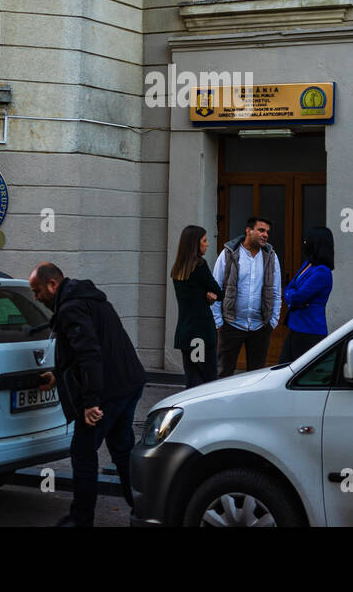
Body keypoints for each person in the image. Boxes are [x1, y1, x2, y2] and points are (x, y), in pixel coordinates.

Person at [29, 261, 145, 527]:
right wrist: (59, 376)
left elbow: (89, 354)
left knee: (83, 453)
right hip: (128, 383)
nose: (36, 297)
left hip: (107, 392)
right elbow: (90, 349)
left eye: (37, 290)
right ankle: (143, 509)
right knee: (122, 448)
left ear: (53, 284)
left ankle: (81, 520)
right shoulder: (89, 298)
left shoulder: (71, 308)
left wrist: (91, 402)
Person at [211, 216, 281, 378]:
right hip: (231, 324)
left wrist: (273, 320)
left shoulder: (271, 256)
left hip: (260, 326)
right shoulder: (228, 254)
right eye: (261, 230)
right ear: (248, 231)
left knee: (256, 376)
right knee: (224, 373)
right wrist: (219, 321)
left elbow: (276, 291)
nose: (265, 235)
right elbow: (216, 287)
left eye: (267, 232)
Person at [170, 225, 222, 387]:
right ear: (195, 244)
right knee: (207, 381)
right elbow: (219, 292)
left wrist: (206, 297)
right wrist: (211, 296)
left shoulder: (178, 268)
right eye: (204, 241)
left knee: (193, 378)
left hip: (186, 331)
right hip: (201, 335)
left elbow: (192, 297)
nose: (207, 244)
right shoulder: (199, 265)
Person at [279, 226, 335, 363]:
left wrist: (292, 296)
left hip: (309, 331)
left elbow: (299, 297)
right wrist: (291, 295)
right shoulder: (308, 264)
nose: (304, 243)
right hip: (296, 327)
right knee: (283, 367)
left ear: (316, 244)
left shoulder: (322, 272)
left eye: (307, 240)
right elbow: (290, 288)